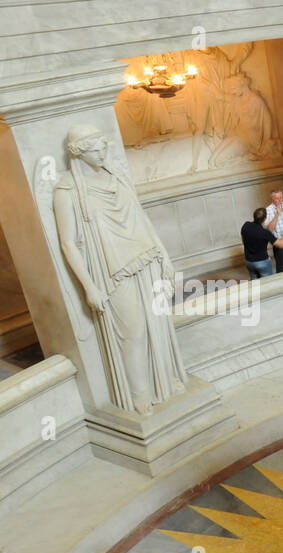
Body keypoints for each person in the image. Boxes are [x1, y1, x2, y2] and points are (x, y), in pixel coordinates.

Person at [53, 124, 188, 415]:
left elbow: (142, 218)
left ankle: (163, 382)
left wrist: (164, 255)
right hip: (113, 271)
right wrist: (89, 286)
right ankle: (140, 393)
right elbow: (67, 242)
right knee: (134, 331)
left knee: (158, 325)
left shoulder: (116, 176)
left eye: (104, 147)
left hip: (145, 258)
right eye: (95, 149)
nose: (102, 153)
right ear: (79, 152)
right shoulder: (68, 189)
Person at [240, 207, 283, 279]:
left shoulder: (246, 225)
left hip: (249, 262)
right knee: (268, 283)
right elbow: (281, 245)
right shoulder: (265, 233)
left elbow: (243, 241)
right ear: (265, 219)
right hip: (262, 262)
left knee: (255, 285)